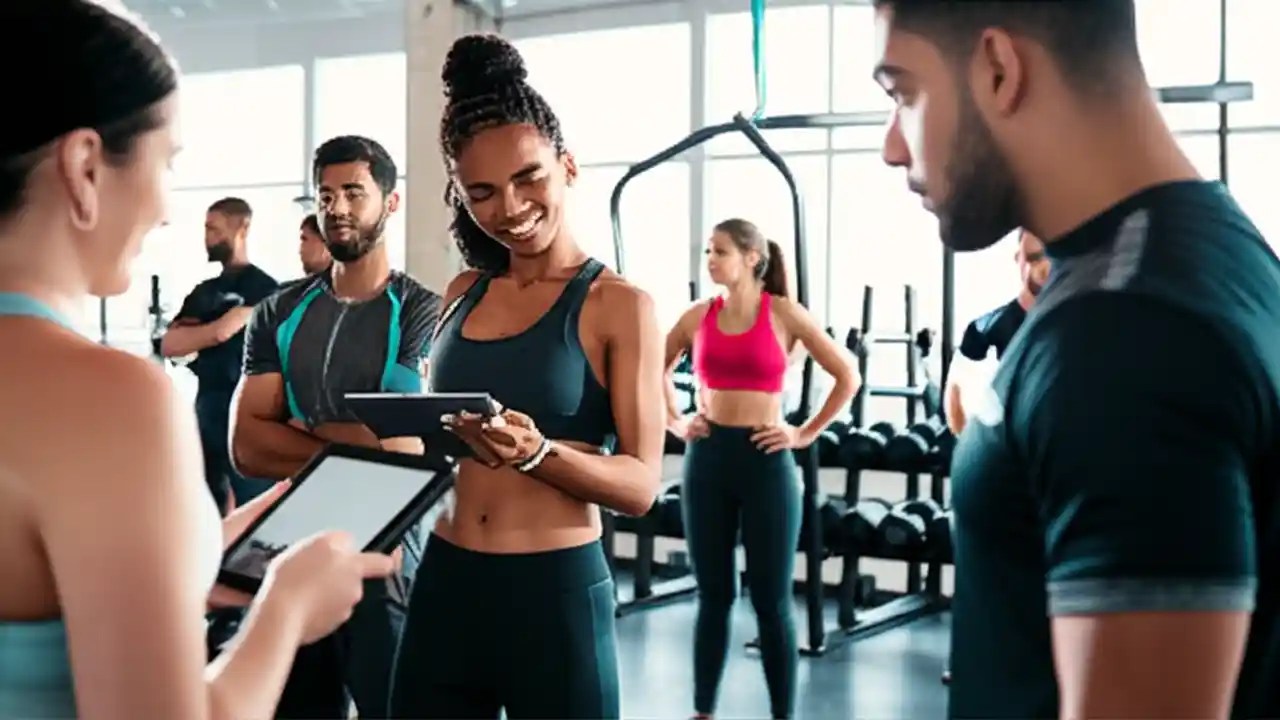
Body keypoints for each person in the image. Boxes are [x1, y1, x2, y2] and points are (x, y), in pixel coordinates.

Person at [869, 1, 1280, 718]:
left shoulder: (1123, 336)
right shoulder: (1211, 249)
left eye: (904, 93)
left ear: (998, 69)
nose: (893, 147)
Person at [0, 2, 394, 718]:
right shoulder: (111, 399)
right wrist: (287, 609)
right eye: (166, 164)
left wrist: (190, 559)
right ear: (86, 167)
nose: (169, 211)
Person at [387, 34, 664, 720]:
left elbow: (640, 485)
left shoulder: (619, 305)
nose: (508, 207)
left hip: (553, 592)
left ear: (567, 165)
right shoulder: (461, 292)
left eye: (528, 178)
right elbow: (441, 446)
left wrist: (538, 454)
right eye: (481, 192)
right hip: (446, 580)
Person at [231, 134, 442, 719]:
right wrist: (351, 439)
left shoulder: (420, 308)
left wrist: (299, 427)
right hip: (294, 550)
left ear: (390, 203)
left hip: (386, 549)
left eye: (354, 191)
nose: (338, 209)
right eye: (326, 195)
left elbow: (399, 452)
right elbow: (246, 445)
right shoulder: (278, 310)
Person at [663, 219, 859, 720]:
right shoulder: (697, 316)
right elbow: (652, 369)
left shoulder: (785, 314)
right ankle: (703, 711)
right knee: (714, 595)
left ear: (752, 258)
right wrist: (675, 420)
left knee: (771, 601)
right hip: (708, 460)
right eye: (708, 250)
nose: (710, 260)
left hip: (767, 460)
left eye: (720, 251)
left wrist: (803, 432)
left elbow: (847, 375)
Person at [160, 197, 278, 514]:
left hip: (249, 410)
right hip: (207, 407)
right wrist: (224, 325)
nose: (207, 237)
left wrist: (206, 334)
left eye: (213, 229)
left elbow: (219, 335)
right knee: (203, 506)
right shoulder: (203, 292)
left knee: (255, 506)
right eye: (205, 229)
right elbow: (171, 344)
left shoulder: (267, 290)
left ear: (242, 227)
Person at [943, 228, 1048, 436]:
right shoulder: (983, 332)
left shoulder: (1083, 328)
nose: (1044, 268)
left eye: (1050, 257)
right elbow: (958, 411)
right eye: (1034, 258)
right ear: (1018, 258)